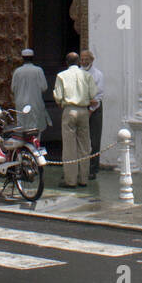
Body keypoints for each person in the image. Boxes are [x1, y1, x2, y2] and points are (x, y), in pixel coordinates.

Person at [53, 51, 96, 189]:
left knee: (69, 147)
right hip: (84, 111)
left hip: (69, 110)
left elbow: (58, 97)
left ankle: (70, 180)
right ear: (78, 62)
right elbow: (93, 94)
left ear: (66, 63)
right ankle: (84, 178)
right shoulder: (87, 76)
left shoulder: (62, 76)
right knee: (84, 145)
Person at [11, 49, 51, 135]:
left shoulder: (17, 71)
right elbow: (44, 87)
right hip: (35, 102)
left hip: (20, 103)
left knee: (22, 127)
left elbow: (13, 88)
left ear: (22, 58)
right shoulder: (38, 70)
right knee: (35, 127)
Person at [80, 49, 105, 180]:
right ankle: (81, 167)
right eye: (82, 59)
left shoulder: (98, 75)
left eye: (86, 59)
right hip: (81, 108)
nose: (84, 61)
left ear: (91, 60)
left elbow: (98, 96)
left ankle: (93, 168)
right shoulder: (77, 73)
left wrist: (90, 109)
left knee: (95, 140)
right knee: (81, 140)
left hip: (95, 110)